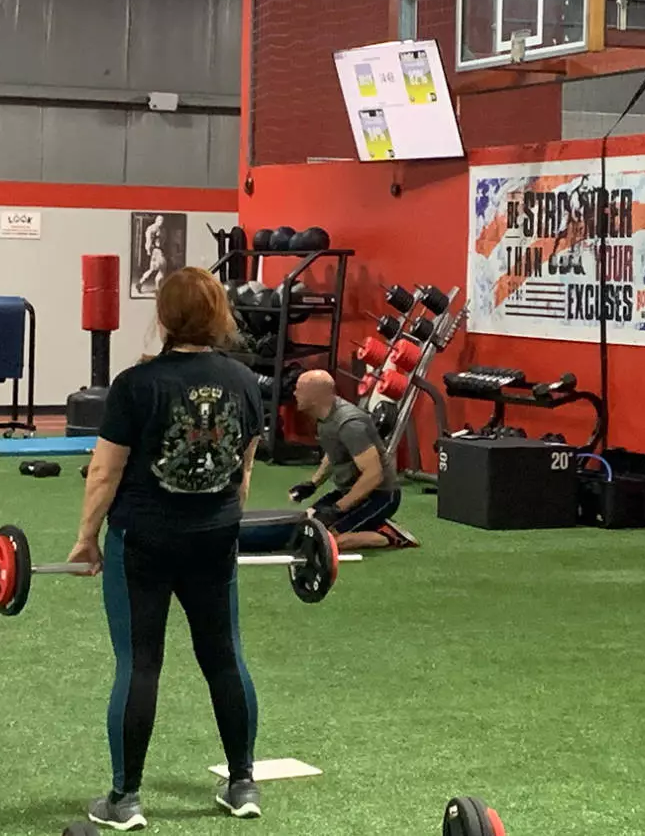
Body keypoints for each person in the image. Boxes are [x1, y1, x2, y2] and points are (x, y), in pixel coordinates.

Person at [66, 266, 265, 829]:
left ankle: (125, 799)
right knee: (224, 655)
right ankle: (242, 784)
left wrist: (85, 539)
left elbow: (104, 472)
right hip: (214, 540)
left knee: (140, 663)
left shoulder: (136, 384)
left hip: (143, 542)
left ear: (163, 316)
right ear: (219, 314)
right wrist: (220, 523)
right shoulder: (244, 382)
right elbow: (242, 472)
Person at [288, 370, 411, 551]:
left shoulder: (350, 424)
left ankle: (388, 535)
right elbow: (335, 452)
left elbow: (374, 475)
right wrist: (313, 484)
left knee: (326, 541)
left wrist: (338, 508)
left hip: (380, 494)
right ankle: (368, 522)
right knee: (307, 525)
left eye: (299, 389)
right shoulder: (325, 417)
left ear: (315, 396)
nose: (294, 393)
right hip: (351, 490)